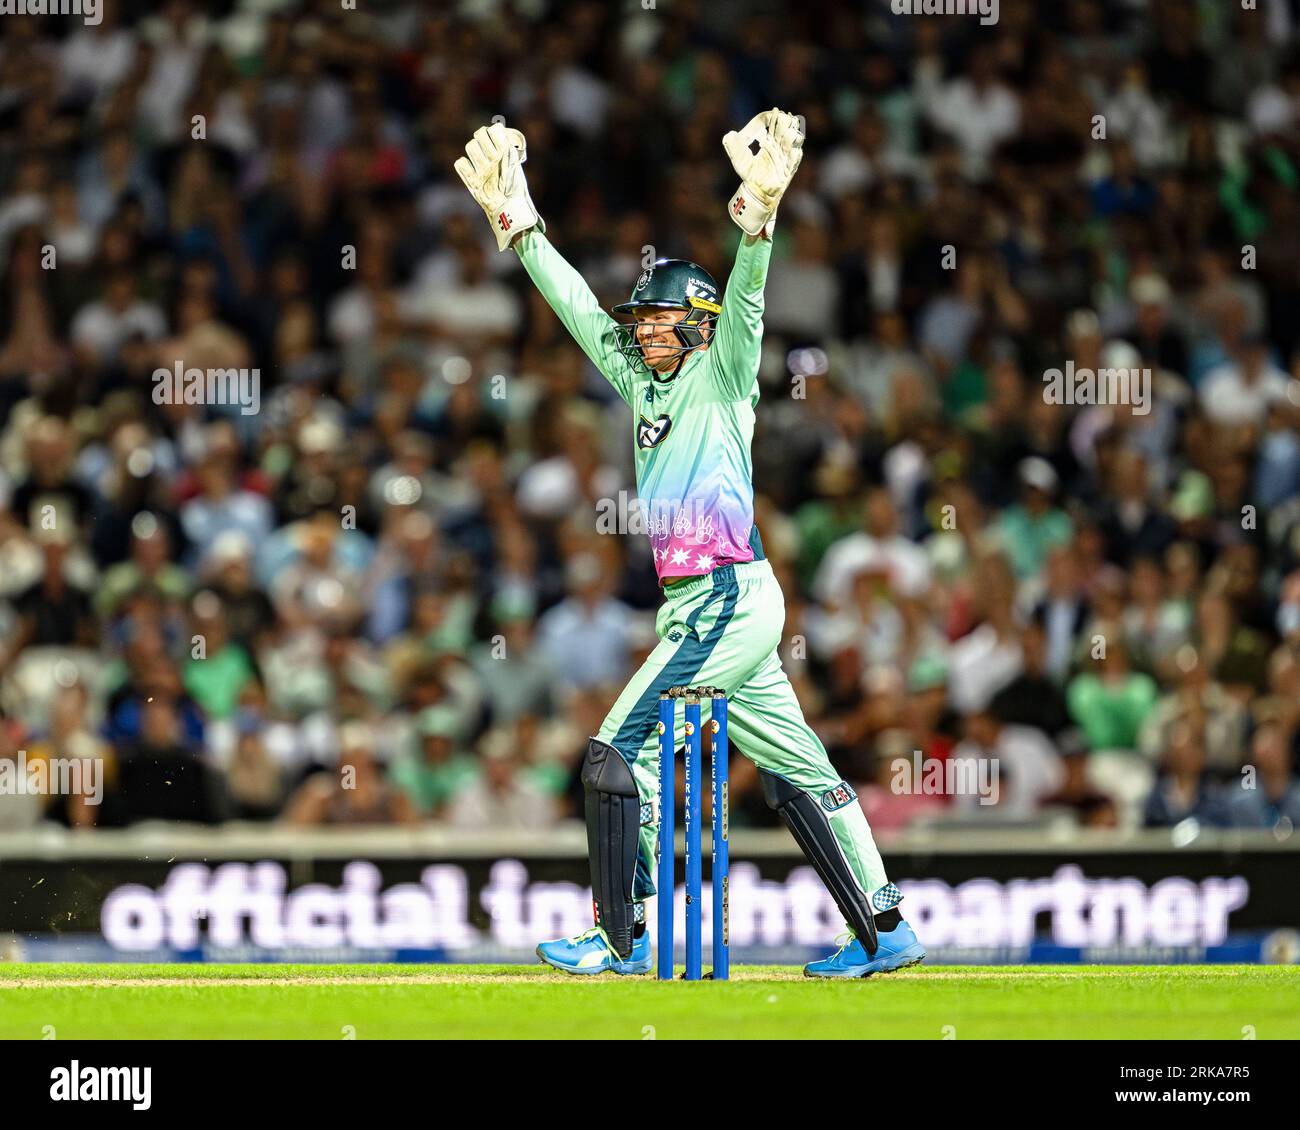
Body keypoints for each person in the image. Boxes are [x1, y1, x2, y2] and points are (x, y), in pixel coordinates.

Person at [455, 114, 925, 977]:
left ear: (699, 325)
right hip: (711, 603)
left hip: (722, 598)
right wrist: (521, 231)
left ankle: (619, 935)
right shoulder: (639, 381)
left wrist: (759, 219)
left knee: (612, 754)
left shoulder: (725, 371)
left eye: (662, 318)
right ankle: (884, 927)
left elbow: (747, 293)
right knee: (801, 772)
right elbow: (576, 307)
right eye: (643, 320)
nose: (644, 330)